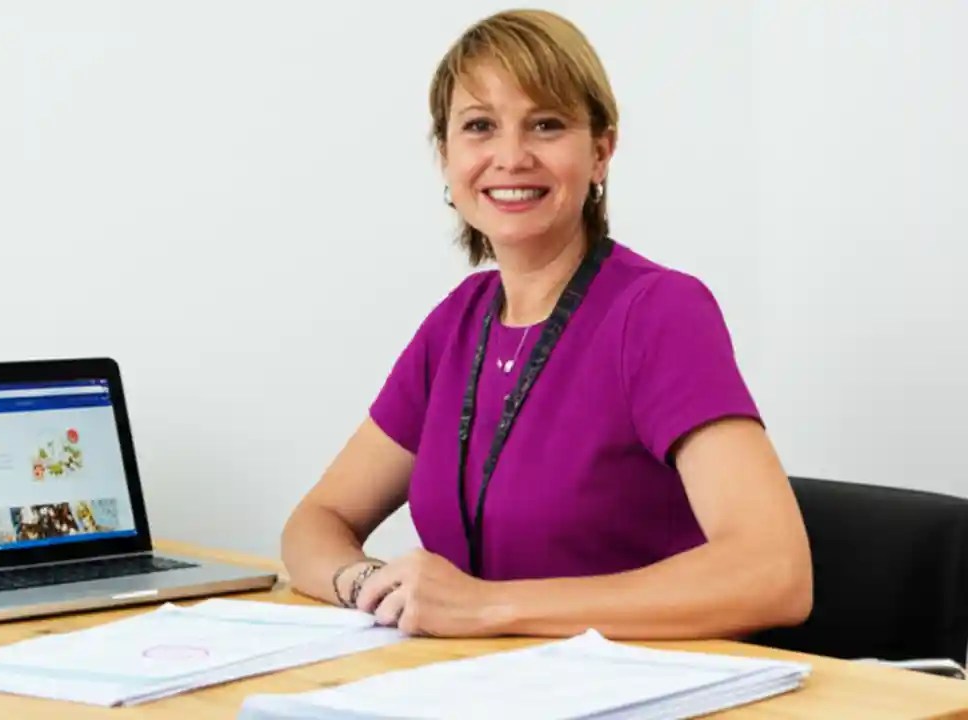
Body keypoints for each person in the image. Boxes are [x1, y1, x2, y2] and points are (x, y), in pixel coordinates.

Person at [280, 9, 813, 640]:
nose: (511, 157)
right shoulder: (457, 322)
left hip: (644, 684)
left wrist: (488, 607)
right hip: (473, 680)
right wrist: (370, 585)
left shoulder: (658, 312)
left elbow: (775, 574)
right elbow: (316, 521)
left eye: (547, 125)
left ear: (600, 152)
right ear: (446, 156)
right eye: (480, 126)